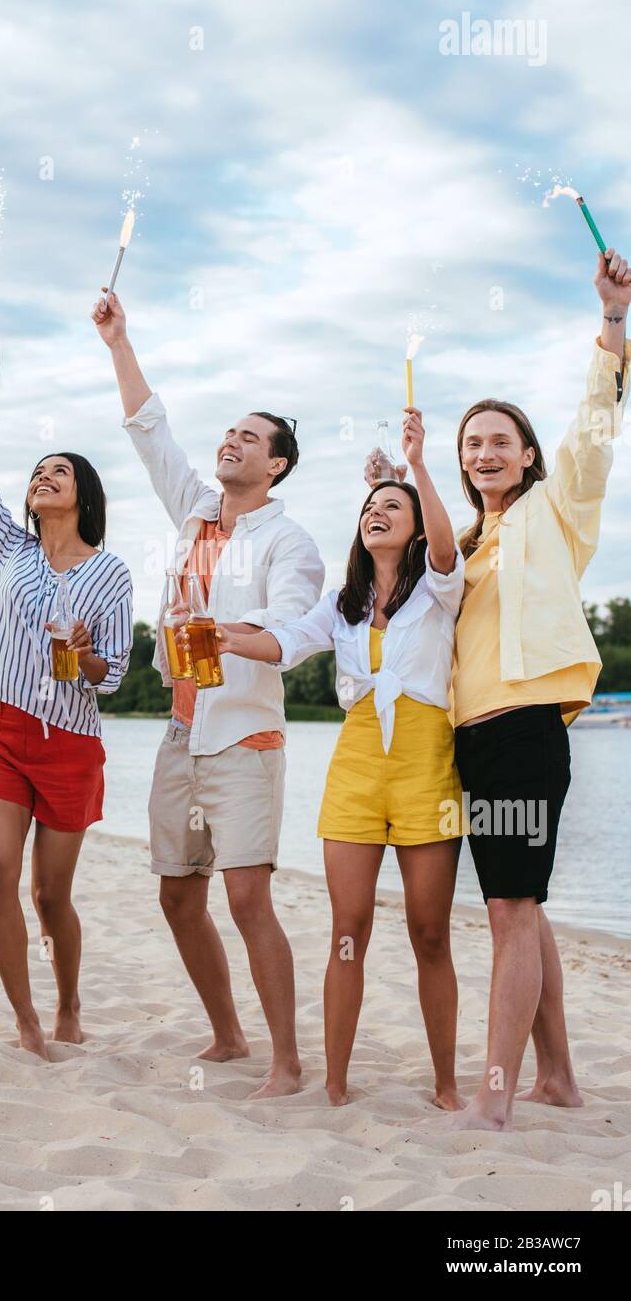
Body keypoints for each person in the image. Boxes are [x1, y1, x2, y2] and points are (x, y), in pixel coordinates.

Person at [92, 290, 324, 1099]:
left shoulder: (287, 541)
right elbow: (149, 431)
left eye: (250, 438)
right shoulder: (196, 512)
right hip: (179, 733)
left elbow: (290, 627)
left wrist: (223, 626)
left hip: (243, 740)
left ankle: (286, 1062)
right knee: (176, 894)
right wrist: (120, 341)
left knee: (247, 896)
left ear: (277, 464)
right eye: (229, 432)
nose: (231, 442)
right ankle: (227, 1035)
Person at [213, 409, 466, 1107]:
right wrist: (226, 637)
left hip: (426, 771)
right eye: (370, 507)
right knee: (347, 930)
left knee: (429, 934)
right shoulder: (342, 604)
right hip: (355, 773)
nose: (377, 514)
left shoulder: (439, 589)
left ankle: (445, 1084)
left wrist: (414, 468)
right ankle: (332, 1083)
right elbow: (285, 641)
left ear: (413, 527)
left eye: (392, 509)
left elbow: (445, 547)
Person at [443, 248, 630, 1130]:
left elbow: (594, 426)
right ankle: (557, 1076)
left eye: (497, 440)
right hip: (469, 739)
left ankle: (495, 1093)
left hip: (523, 729)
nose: (484, 452)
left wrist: (611, 322)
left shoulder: (554, 514)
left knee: (509, 907)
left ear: (524, 455)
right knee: (524, 904)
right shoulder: (465, 551)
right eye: (471, 443)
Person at [0, 323, 133, 1061]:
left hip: (71, 746)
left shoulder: (111, 572)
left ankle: (69, 1002)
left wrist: (86, 658)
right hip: (3, 730)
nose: (42, 477)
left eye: (59, 471)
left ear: (83, 493)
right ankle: (25, 1018)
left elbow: (110, 676)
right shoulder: (13, 549)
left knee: (50, 896)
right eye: (38, 472)